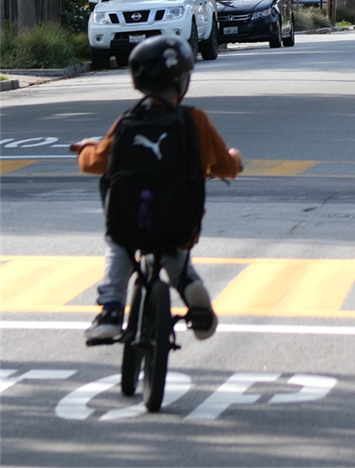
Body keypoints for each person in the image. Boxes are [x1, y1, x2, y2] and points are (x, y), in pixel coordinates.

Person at [73, 36, 242, 344]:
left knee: (118, 245)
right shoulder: (195, 120)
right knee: (175, 255)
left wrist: (86, 149)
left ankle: (111, 311)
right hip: (178, 219)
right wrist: (234, 161)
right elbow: (221, 164)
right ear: (182, 81)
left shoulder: (127, 120)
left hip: (129, 219)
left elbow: (96, 162)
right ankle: (190, 289)